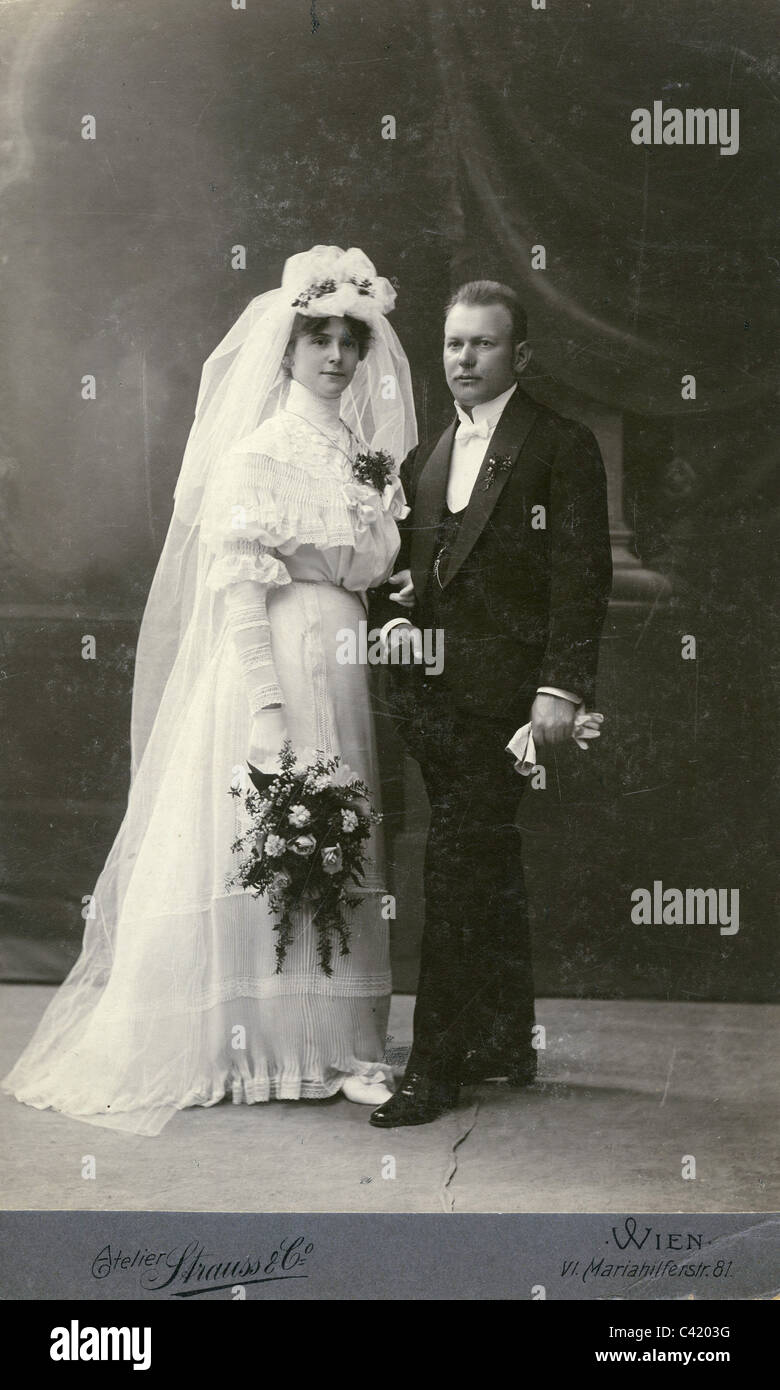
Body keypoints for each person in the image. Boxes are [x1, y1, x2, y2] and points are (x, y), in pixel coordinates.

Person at [2, 245, 417, 1135]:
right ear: (286, 347)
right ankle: (259, 1045)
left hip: (342, 663)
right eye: (319, 339)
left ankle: (338, 1045)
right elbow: (238, 581)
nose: (338, 356)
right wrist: (265, 701)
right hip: (275, 658)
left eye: (351, 340)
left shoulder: (364, 455)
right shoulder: (260, 451)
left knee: (335, 835)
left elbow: (375, 561)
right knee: (278, 827)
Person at [368, 280, 613, 1128]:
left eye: (482, 345)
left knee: (455, 863)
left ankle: (434, 1068)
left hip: (508, 704)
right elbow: (404, 578)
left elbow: (583, 579)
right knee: (484, 857)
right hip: (434, 704)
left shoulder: (559, 444)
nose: (463, 360)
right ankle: (505, 1040)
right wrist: (396, 618)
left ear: (520, 356)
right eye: (453, 345)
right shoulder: (427, 456)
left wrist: (562, 688)